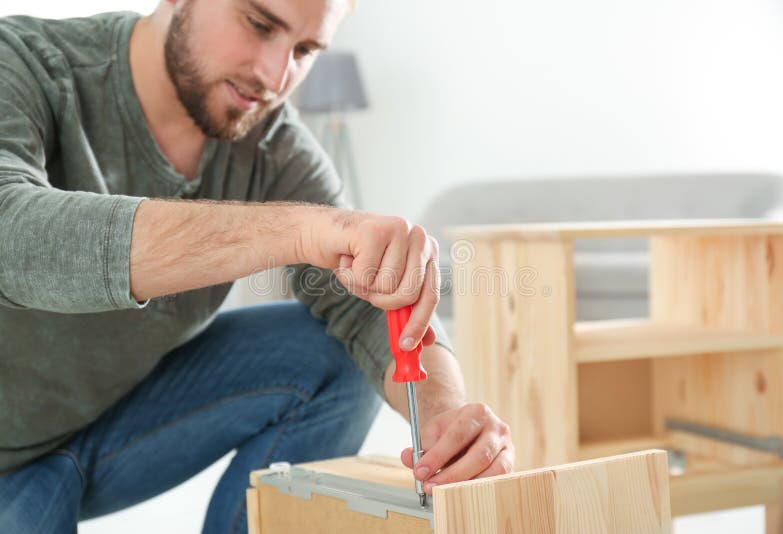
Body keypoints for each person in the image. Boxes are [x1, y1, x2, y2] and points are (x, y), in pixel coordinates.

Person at [0, 0, 515, 531]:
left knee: (334, 355)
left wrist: (449, 420)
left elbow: (366, 316)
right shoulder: (23, 61)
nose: (275, 75)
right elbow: (11, 233)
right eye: (259, 23)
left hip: (107, 426)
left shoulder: (273, 145)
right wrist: (295, 230)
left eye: (305, 49)